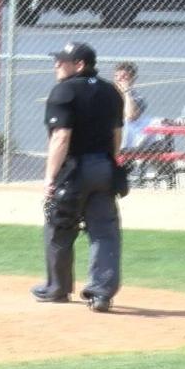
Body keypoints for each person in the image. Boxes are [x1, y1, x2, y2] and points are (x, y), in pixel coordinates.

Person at [35, 41, 124, 313]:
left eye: (62, 61)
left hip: (74, 169)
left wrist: (50, 177)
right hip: (104, 168)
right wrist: (108, 161)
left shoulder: (64, 91)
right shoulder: (111, 91)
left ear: (80, 65)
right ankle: (101, 293)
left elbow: (61, 137)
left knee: (59, 225)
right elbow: (117, 135)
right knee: (105, 231)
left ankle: (57, 288)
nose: (57, 65)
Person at [113, 61, 152, 186]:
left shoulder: (137, 97)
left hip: (125, 140)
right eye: (117, 77)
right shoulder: (106, 94)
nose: (120, 80)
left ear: (132, 79)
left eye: (124, 77)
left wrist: (126, 92)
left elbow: (130, 116)